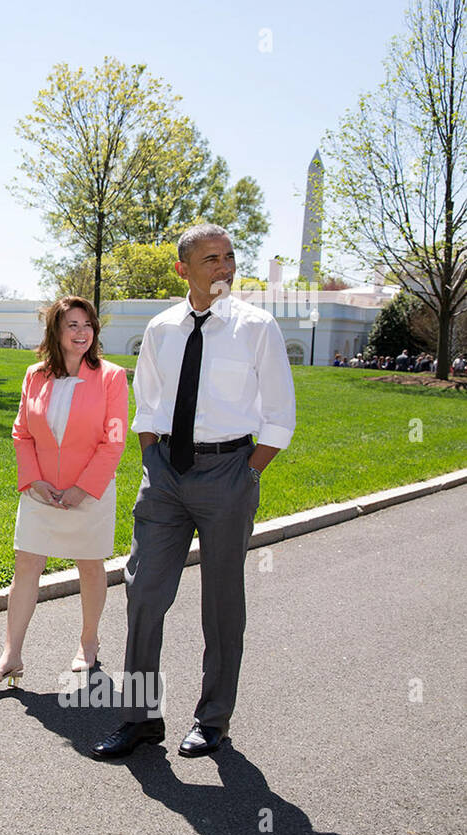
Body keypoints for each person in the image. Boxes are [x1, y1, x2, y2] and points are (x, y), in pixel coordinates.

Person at [92, 224, 296, 760]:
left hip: (229, 472)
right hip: (165, 477)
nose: (224, 268)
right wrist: (151, 459)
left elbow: (280, 416)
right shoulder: (161, 329)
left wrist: (247, 473)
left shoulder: (258, 328)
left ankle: (212, 719)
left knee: (221, 602)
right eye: (211, 259)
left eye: (229, 257)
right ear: (183, 269)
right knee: (143, 593)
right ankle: (139, 719)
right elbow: (150, 405)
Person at [0, 295, 128, 685]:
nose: (82, 333)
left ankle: (88, 643)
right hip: (40, 492)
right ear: (56, 332)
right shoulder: (35, 375)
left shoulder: (111, 376)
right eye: (72, 326)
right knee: (26, 565)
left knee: (90, 566)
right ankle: (11, 655)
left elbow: (113, 441)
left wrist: (84, 488)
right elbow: (22, 431)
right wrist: (33, 480)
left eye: (87, 325)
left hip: (89, 493)